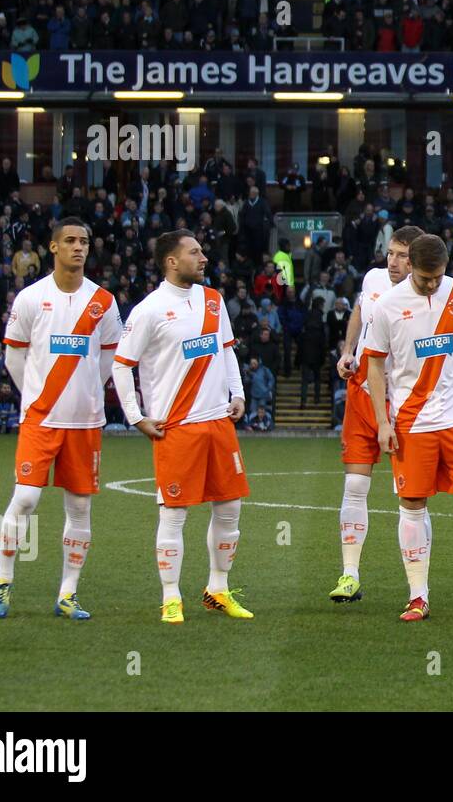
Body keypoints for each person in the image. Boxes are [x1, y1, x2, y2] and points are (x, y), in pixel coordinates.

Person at [362, 233, 453, 622]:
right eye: (426, 277)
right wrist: (381, 421)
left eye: (438, 277)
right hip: (411, 421)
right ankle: (417, 596)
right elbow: (375, 365)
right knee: (412, 503)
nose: (432, 284)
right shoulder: (388, 306)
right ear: (409, 264)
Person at [112, 230, 251, 625]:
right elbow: (122, 365)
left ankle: (218, 588)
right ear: (172, 261)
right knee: (174, 513)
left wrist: (238, 394)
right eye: (194, 252)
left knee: (230, 507)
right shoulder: (149, 310)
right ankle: (171, 596)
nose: (203, 257)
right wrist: (136, 416)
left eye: (202, 251)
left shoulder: (213, 300)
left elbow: (225, 349)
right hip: (176, 427)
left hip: (218, 423)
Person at [0, 217, 123, 621]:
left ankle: (67, 594)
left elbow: (109, 357)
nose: (78, 247)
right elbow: (14, 356)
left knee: (79, 507)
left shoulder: (104, 301)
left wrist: (85, 392)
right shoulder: (31, 298)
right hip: (41, 418)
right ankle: (3, 579)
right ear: (53, 248)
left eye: (84, 241)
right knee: (26, 498)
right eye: (70, 241)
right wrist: (39, 393)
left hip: (85, 423)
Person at [327, 225, 421, 603]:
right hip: (363, 389)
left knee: (411, 496)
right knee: (354, 485)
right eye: (391, 253)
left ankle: (418, 587)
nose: (393, 261)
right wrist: (348, 351)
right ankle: (349, 575)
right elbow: (360, 312)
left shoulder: (427, 297)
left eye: (402, 255)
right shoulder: (373, 279)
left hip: (401, 399)